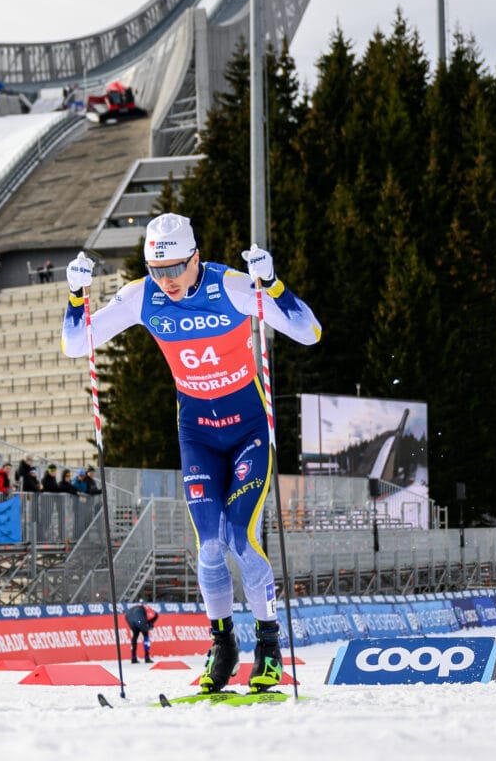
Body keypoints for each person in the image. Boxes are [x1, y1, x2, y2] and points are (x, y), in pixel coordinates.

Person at [61, 213, 320, 694]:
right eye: (157, 271)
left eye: (176, 268)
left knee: (241, 538)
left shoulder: (231, 287)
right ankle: (223, 646)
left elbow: (310, 332)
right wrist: (77, 296)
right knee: (210, 546)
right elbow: (77, 344)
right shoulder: (143, 296)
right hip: (197, 434)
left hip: (247, 431)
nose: (167, 281)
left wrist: (272, 284)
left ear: (195, 257)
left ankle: (268, 646)